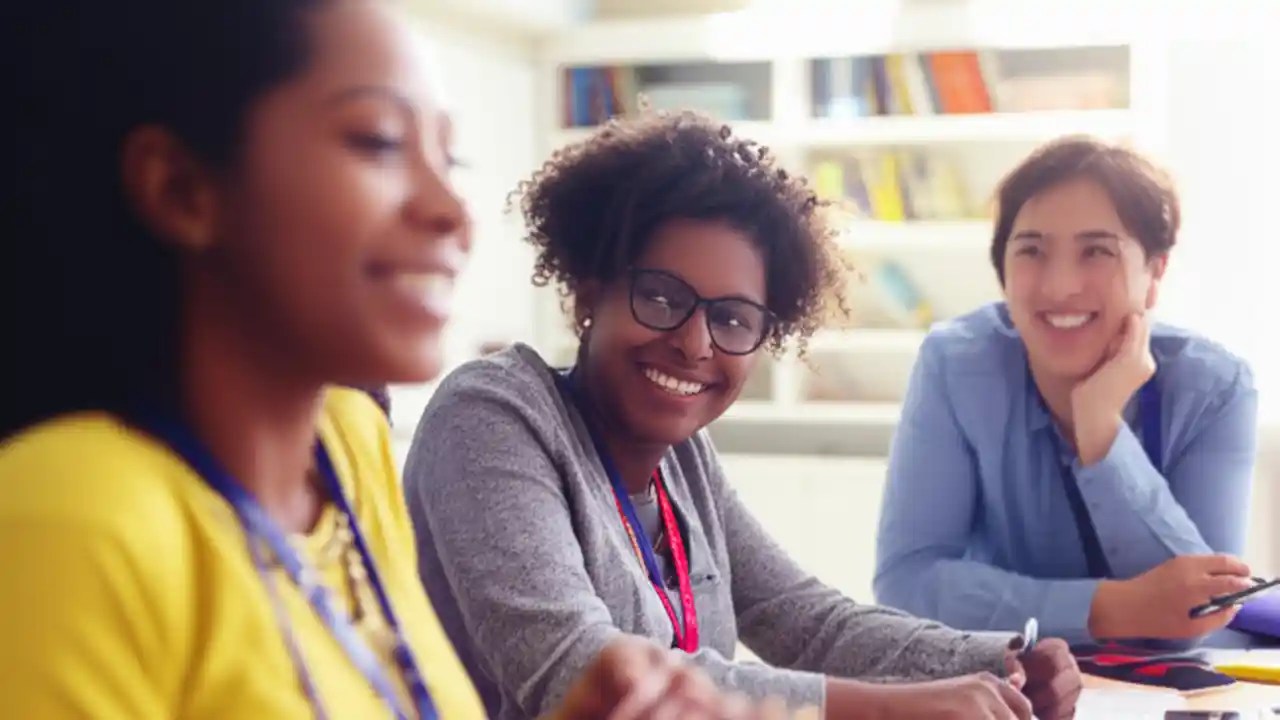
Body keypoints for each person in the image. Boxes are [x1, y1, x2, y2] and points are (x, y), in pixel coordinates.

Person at [0, 1, 779, 718]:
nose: (450, 211)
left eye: (448, 157)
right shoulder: (71, 525)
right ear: (182, 190)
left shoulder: (346, 446)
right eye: (377, 141)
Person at [403, 112, 1083, 720]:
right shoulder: (493, 415)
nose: (696, 343)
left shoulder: (683, 459)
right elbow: (589, 677)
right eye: (663, 298)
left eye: (732, 318)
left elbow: (810, 622)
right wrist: (895, 709)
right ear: (588, 293)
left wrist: (1001, 660)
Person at [874, 136, 1258, 646]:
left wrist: (1100, 430)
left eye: (1097, 251)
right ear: (1003, 271)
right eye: (1031, 251)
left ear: (1154, 273)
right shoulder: (958, 364)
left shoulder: (1214, 387)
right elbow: (907, 583)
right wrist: (1109, 609)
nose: (1059, 286)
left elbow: (1202, 613)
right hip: (1009, 690)